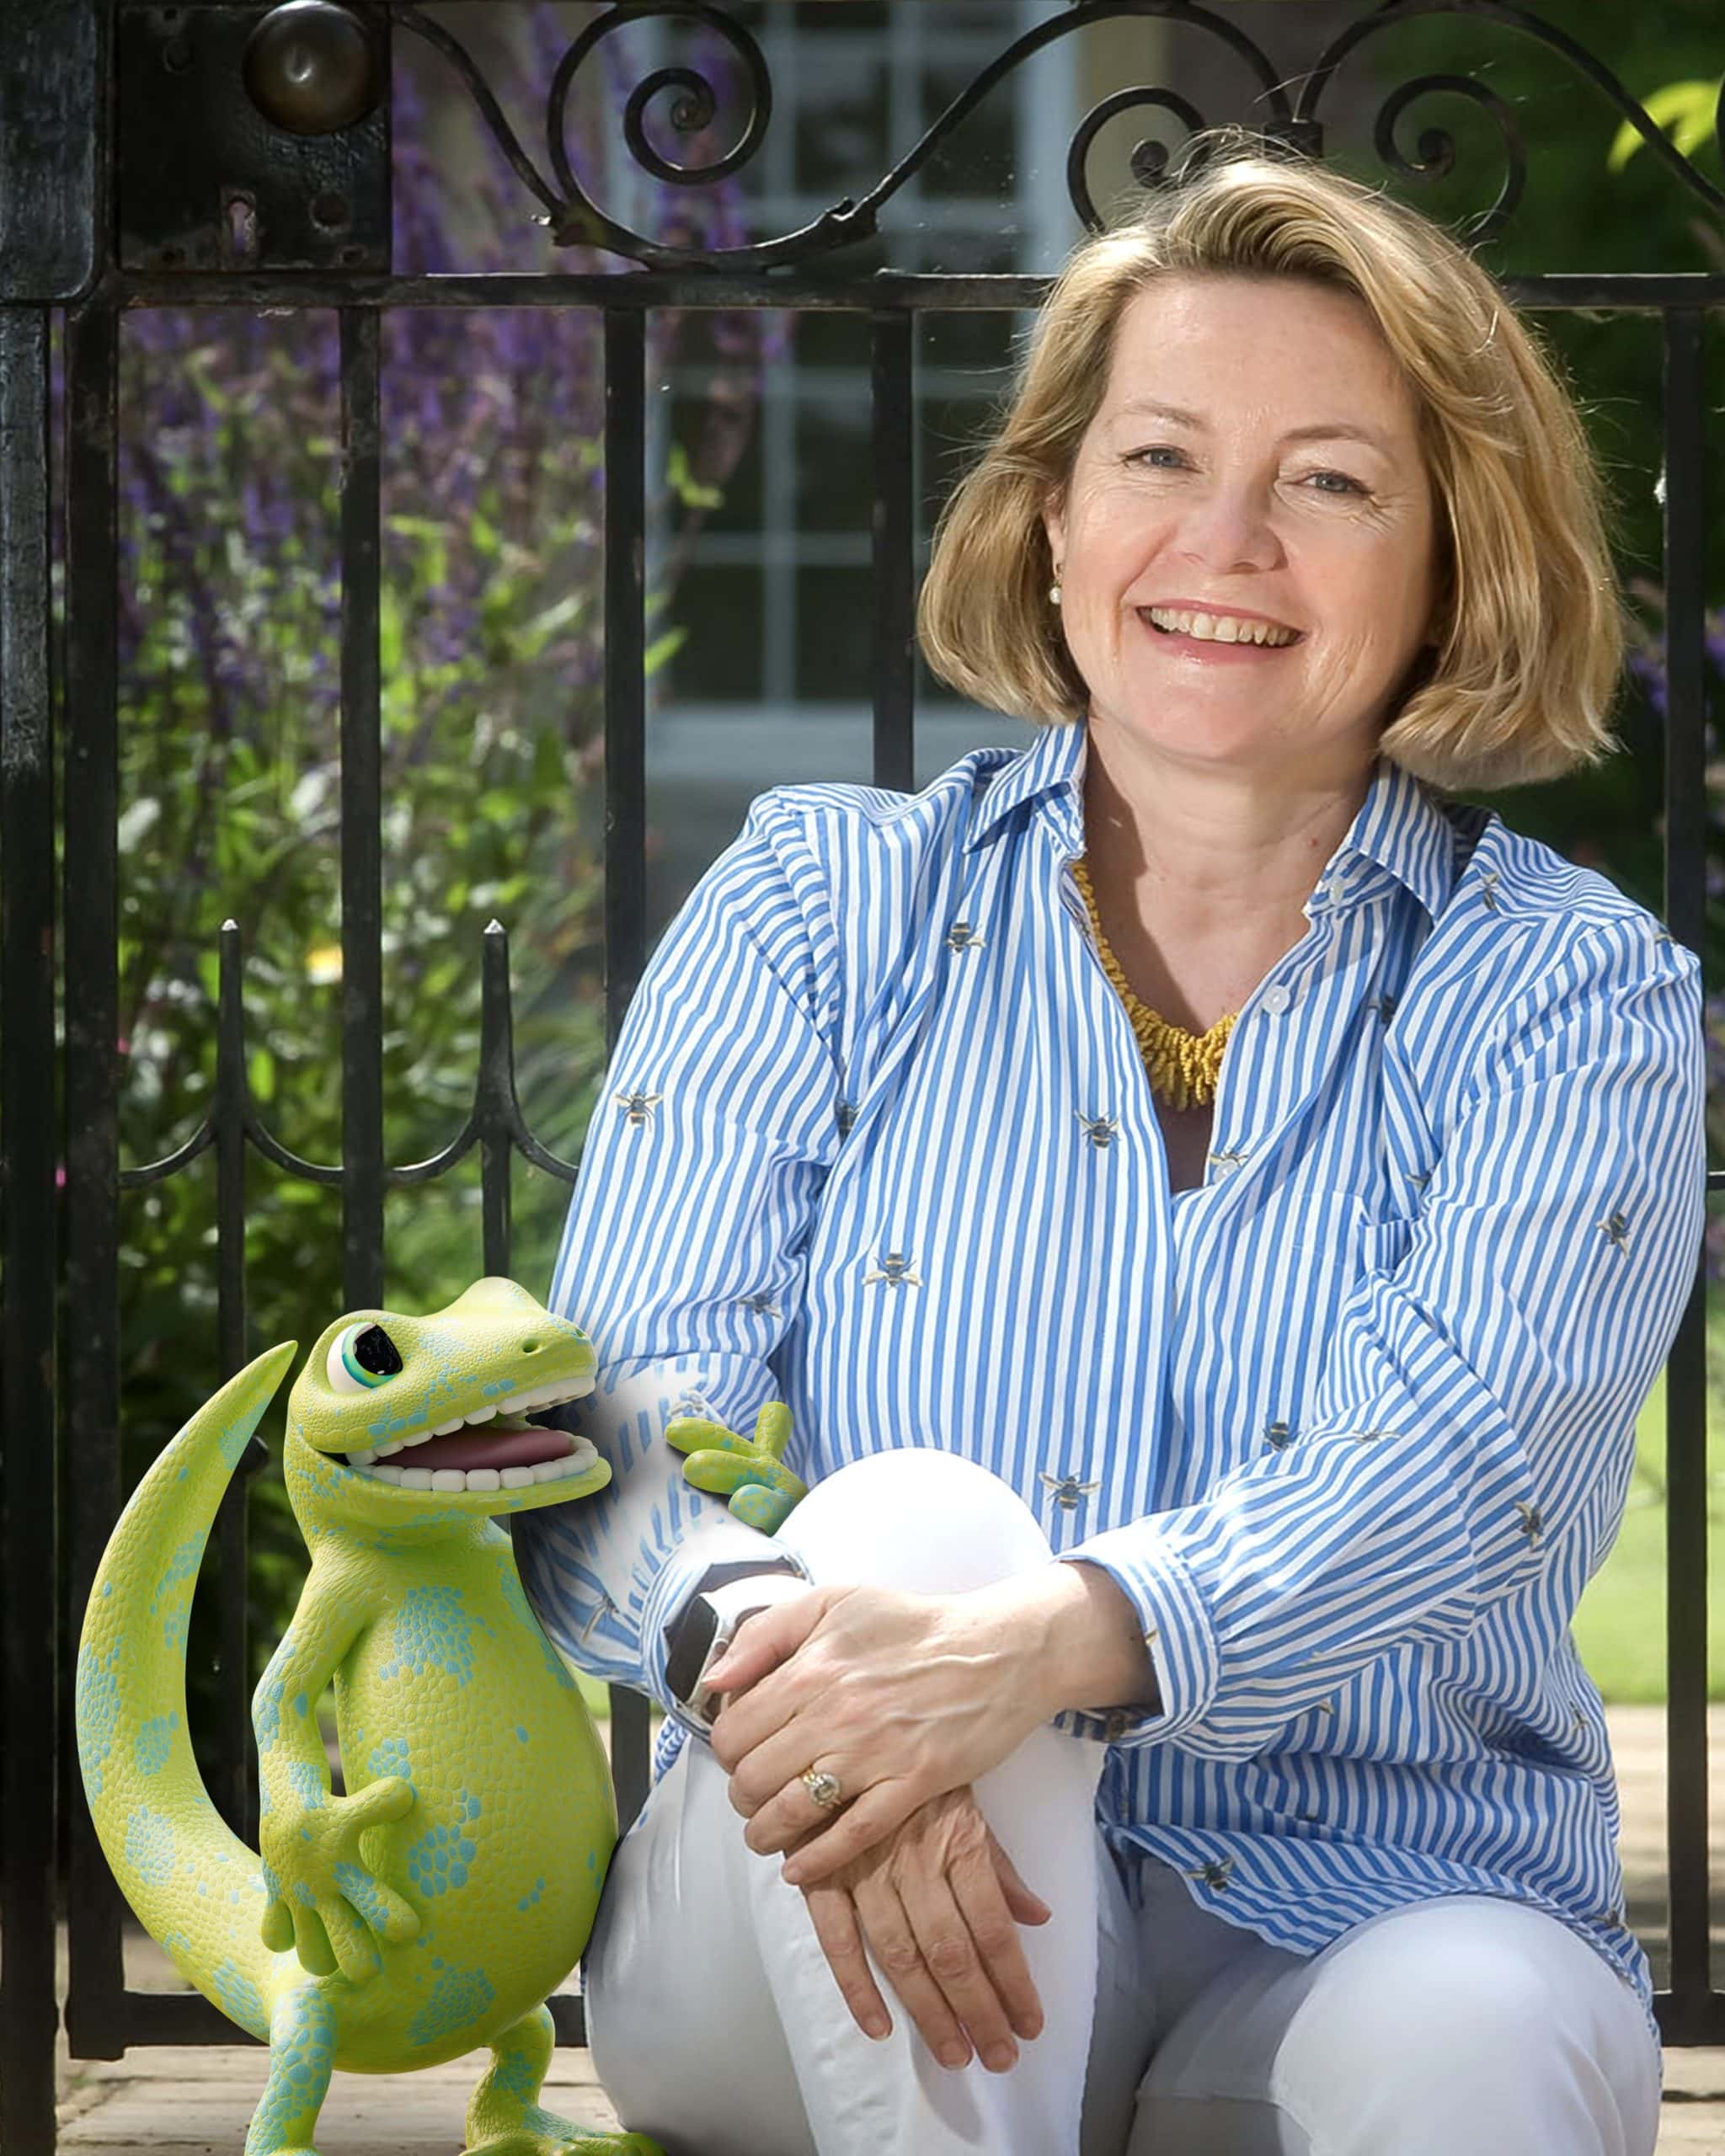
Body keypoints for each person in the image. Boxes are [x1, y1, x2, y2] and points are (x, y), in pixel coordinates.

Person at [510, 137, 1703, 2156]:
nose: (1224, 541)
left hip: (1366, 1896)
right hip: (801, 1904)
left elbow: (1465, 1468)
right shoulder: (817, 906)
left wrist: (1034, 1650)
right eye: (1159, 457)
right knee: (906, 1532)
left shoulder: (1570, 995)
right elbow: (605, 1429)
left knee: (1488, 2043)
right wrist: (840, 1700)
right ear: (1050, 513)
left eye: (1329, 482)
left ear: (1455, 559)